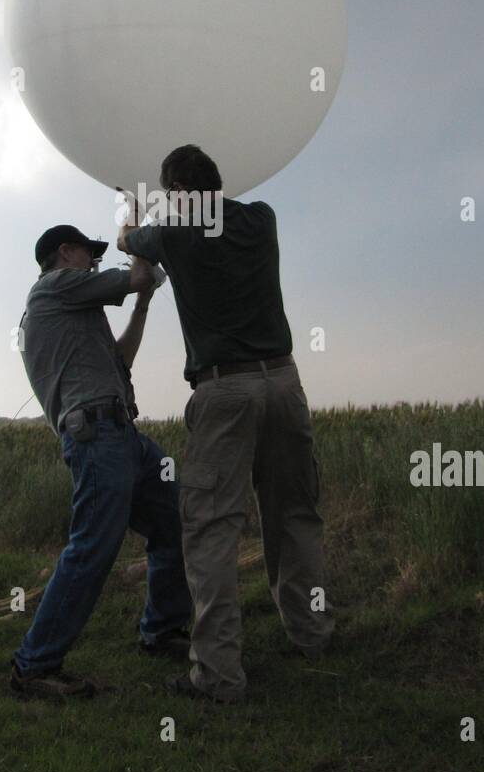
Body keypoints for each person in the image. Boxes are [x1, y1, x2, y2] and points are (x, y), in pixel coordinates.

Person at [118, 145, 334, 704]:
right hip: (285, 382)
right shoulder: (262, 221)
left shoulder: (170, 235)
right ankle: (312, 635)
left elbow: (129, 243)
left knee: (212, 529)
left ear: (176, 194)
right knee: (295, 514)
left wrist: (136, 211)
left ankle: (217, 674)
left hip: (224, 388)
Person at [10, 223, 192, 700]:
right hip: (97, 437)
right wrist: (136, 243)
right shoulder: (54, 288)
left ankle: (162, 629)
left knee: (173, 516)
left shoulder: (77, 310)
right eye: (86, 254)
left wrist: (145, 303)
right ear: (63, 252)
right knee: (93, 546)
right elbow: (131, 276)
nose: (92, 262)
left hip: (121, 434)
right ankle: (36, 665)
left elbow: (121, 360)